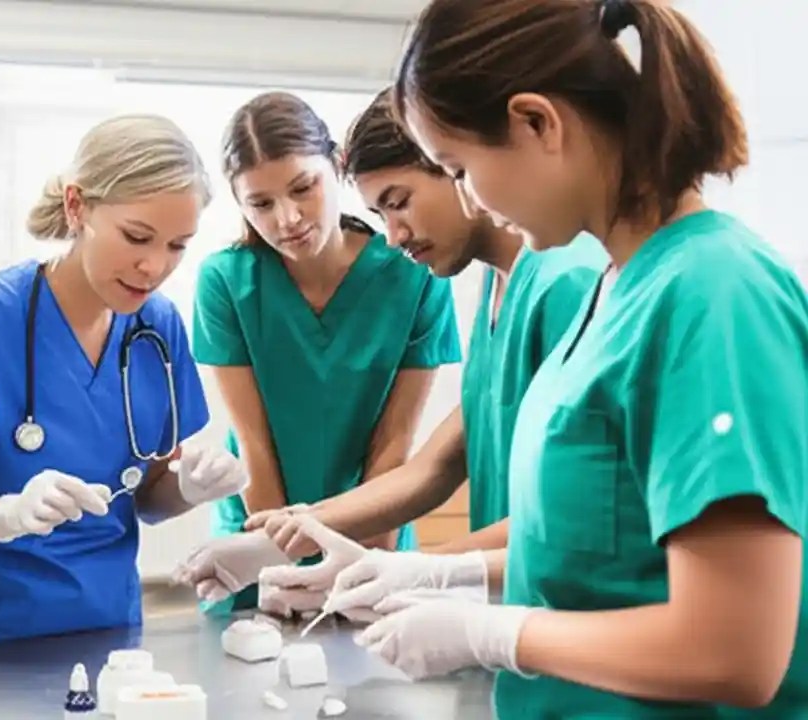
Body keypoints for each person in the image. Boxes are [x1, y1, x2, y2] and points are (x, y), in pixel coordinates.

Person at [277, 0, 808, 716]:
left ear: (537, 122)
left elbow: (733, 651)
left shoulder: (713, 294)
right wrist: (427, 575)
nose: (469, 197)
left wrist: (495, 633)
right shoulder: (617, 290)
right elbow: (593, 559)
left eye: (459, 167)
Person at [0, 114, 249, 645]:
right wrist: (5, 516)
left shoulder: (158, 328)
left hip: (110, 634)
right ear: (77, 207)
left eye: (177, 245)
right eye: (137, 237)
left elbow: (147, 500)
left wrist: (191, 489)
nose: (154, 267)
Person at [244, 88, 606, 589]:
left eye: (400, 203)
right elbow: (439, 464)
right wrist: (302, 524)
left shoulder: (569, 283)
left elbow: (577, 516)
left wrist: (413, 572)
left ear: (455, 166)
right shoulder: (498, 290)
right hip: (520, 603)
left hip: (570, 611)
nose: (393, 236)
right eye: (380, 216)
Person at [184, 91, 462, 614]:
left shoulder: (413, 272)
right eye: (261, 204)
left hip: (372, 532)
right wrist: (273, 559)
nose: (287, 218)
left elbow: (394, 443)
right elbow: (254, 444)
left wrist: (362, 559)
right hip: (255, 534)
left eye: (302, 188)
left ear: (336, 167)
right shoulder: (225, 282)